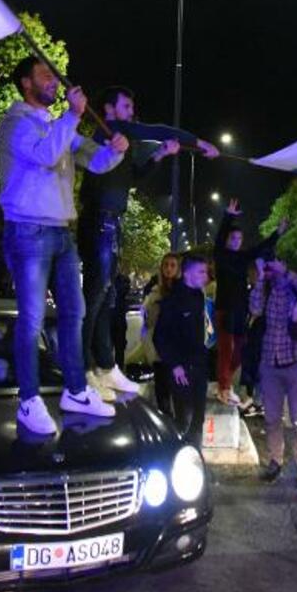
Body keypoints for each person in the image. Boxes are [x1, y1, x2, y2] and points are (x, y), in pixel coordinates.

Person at [0, 56, 126, 434]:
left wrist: (116, 149)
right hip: (27, 230)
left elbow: (98, 161)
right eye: (45, 75)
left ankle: (75, 390)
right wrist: (72, 117)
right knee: (33, 318)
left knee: (75, 312)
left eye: (55, 75)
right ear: (25, 83)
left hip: (61, 231)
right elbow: (43, 155)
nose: (54, 81)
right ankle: (29, 400)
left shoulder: (59, 126)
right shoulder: (14, 122)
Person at [79, 85, 215, 398]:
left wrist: (160, 154)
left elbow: (134, 179)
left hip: (111, 222)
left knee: (107, 294)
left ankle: (104, 366)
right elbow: (158, 128)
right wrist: (197, 141)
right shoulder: (110, 128)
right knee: (96, 295)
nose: (131, 112)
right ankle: (83, 370)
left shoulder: (118, 143)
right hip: (99, 221)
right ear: (111, 110)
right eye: (126, 106)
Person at [249, 257, 297, 486]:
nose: (272, 270)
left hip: (296, 362)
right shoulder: (265, 288)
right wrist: (260, 276)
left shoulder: (296, 287)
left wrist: (286, 272)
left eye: (275, 265)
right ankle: (275, 461)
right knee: (272, 418)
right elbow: (254, 308)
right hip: (270, 362)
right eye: (270, 266)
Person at [213, 199, 286, 406]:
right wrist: (228, 216)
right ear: (227, 239)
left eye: (239, 238)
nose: (236, 241)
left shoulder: (244, 257)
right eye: (233, 237)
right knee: (226, 350)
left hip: (240, 310)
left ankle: (223, 382)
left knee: (240, 351)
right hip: (225, 309)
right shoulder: (221, 254)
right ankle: (224, 389)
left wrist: (278, 233)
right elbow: (219, 238)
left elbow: (262, 247)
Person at [154, 253, 213, 446]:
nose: (206, 276)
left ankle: (195, 462)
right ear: (187, 273)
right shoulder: (173, 300)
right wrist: (175, 365)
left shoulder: (199, 296)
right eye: (201, 272)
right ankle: (179, 460)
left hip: (200, 368)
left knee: (198, 420)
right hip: (182, 371)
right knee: (183, 420)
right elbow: (160, 337)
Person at [140, 253, 181, 414]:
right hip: (159, 350)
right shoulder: (155, 292)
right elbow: (148, 321)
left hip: (178, 350)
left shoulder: (184, 292)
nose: (169, 269)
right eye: (166, 265)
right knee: (162, 393)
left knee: (178, 392)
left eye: (173, 265)